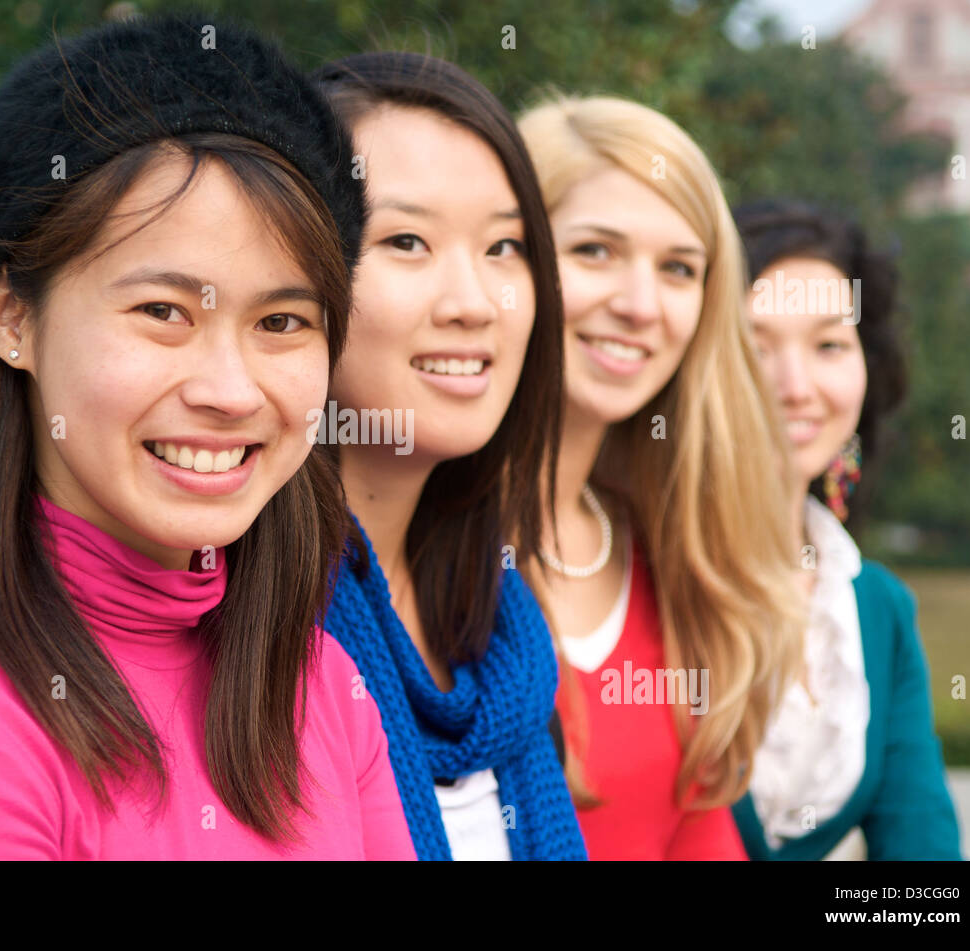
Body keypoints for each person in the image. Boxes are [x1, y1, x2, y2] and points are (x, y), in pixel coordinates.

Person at [0, 15, 415, 860]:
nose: (229, 390)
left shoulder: (324, 687)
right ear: (12, 318)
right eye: (163, 312)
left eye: (283, 320)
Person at [314, 53, 586, 860]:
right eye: (406, 240)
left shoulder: (505, 632)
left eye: (504, 248)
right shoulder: (242, 623)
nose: (474, 302)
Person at [515, 95, 803, 859]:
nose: (641, 305)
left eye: (679, 268)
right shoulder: (411, 551)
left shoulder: (675, 557)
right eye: (595, 251)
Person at [731, 199, 962, 860]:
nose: (796, 386)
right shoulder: (626, 582)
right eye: (754, 347)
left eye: (829, 344)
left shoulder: (874, 608)